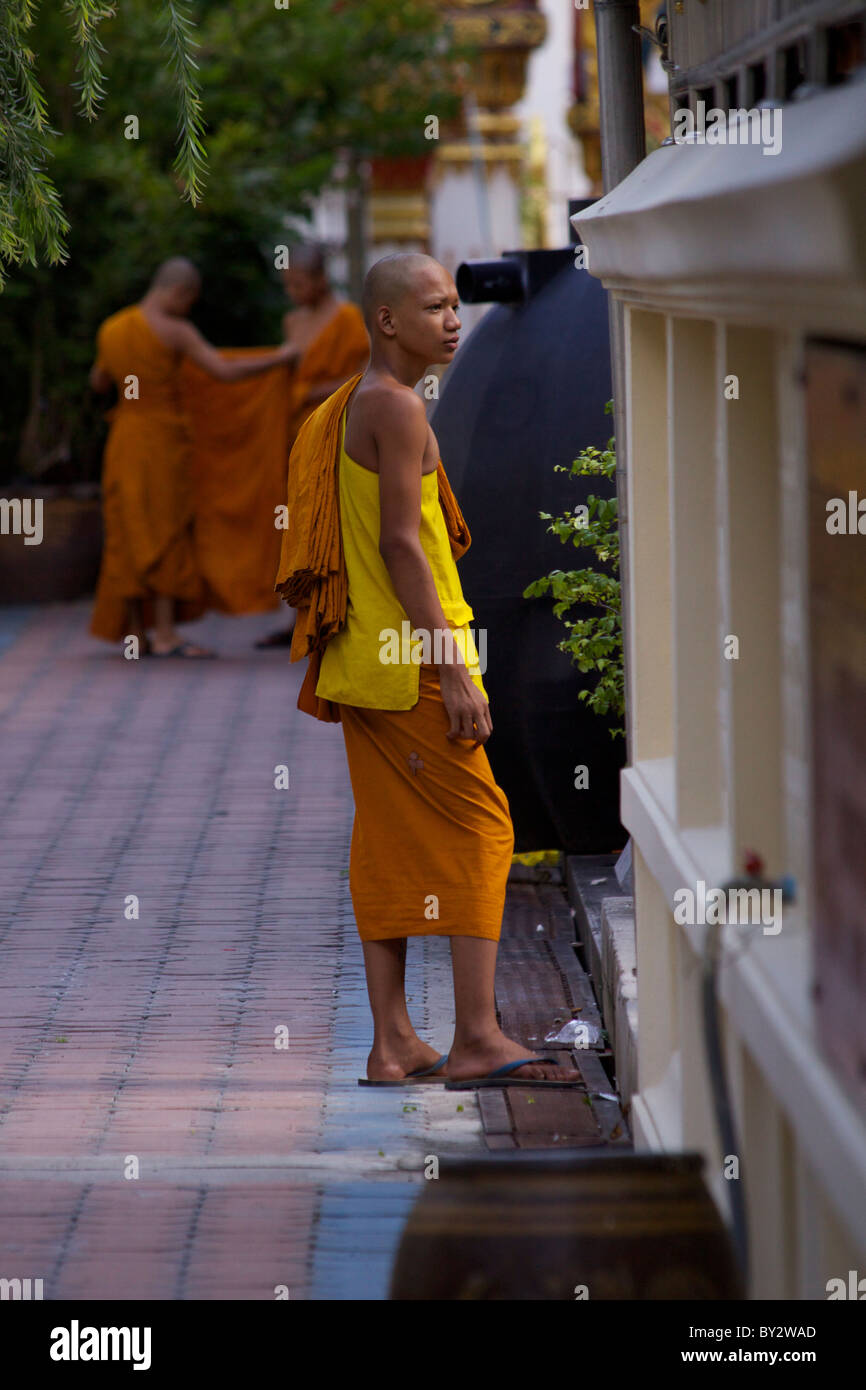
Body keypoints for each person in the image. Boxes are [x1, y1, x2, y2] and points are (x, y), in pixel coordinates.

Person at [275, 253, 576, 1086]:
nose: (453, 320)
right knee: (486, 828)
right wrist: (455, 671)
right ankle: (477, 1037)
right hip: (409, 662)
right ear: (386, 320)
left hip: (363, 662)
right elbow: (402, 545)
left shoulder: (356, 405)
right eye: (434, 306)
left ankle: (395, 1042)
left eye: (455, 305)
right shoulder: (394, 407)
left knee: (388, 840)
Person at [88, 257, 296, 657]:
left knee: (127, 530)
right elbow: (222, 370)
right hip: (162, 439)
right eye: (189, 301)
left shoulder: (112, 328)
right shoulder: (176, 331)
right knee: (165, 530)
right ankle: (165, 634)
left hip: (124, 438)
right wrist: (280, 358)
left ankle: (137, 633)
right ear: (180, 293)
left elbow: (99, 381)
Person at [255, 242, 369, 648]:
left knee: (331, 520)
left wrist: (310, 391)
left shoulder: (348, 318)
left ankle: (334, 612)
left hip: (332, 427)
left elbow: (361, 378)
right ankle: (297, 617)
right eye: (289, 285)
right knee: (297, 521)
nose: (294, 292)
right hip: (295, 432)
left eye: (300, 283)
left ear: (321, 279)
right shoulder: (292, 321)